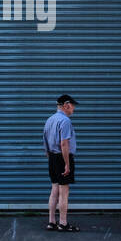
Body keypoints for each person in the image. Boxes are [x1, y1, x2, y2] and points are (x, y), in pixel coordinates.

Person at [43, 94, 79, 232]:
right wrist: (67, 164)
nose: (74, 108)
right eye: (73, 105)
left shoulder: (49, 120)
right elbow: (64, 144)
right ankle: (63, 223)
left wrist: (52, 159)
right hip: (63, 158)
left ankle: (51, 222)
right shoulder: (65, 121)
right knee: (64, 192)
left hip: (52, 158)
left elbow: (45, 144)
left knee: (54, 190)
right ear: (67, 105)